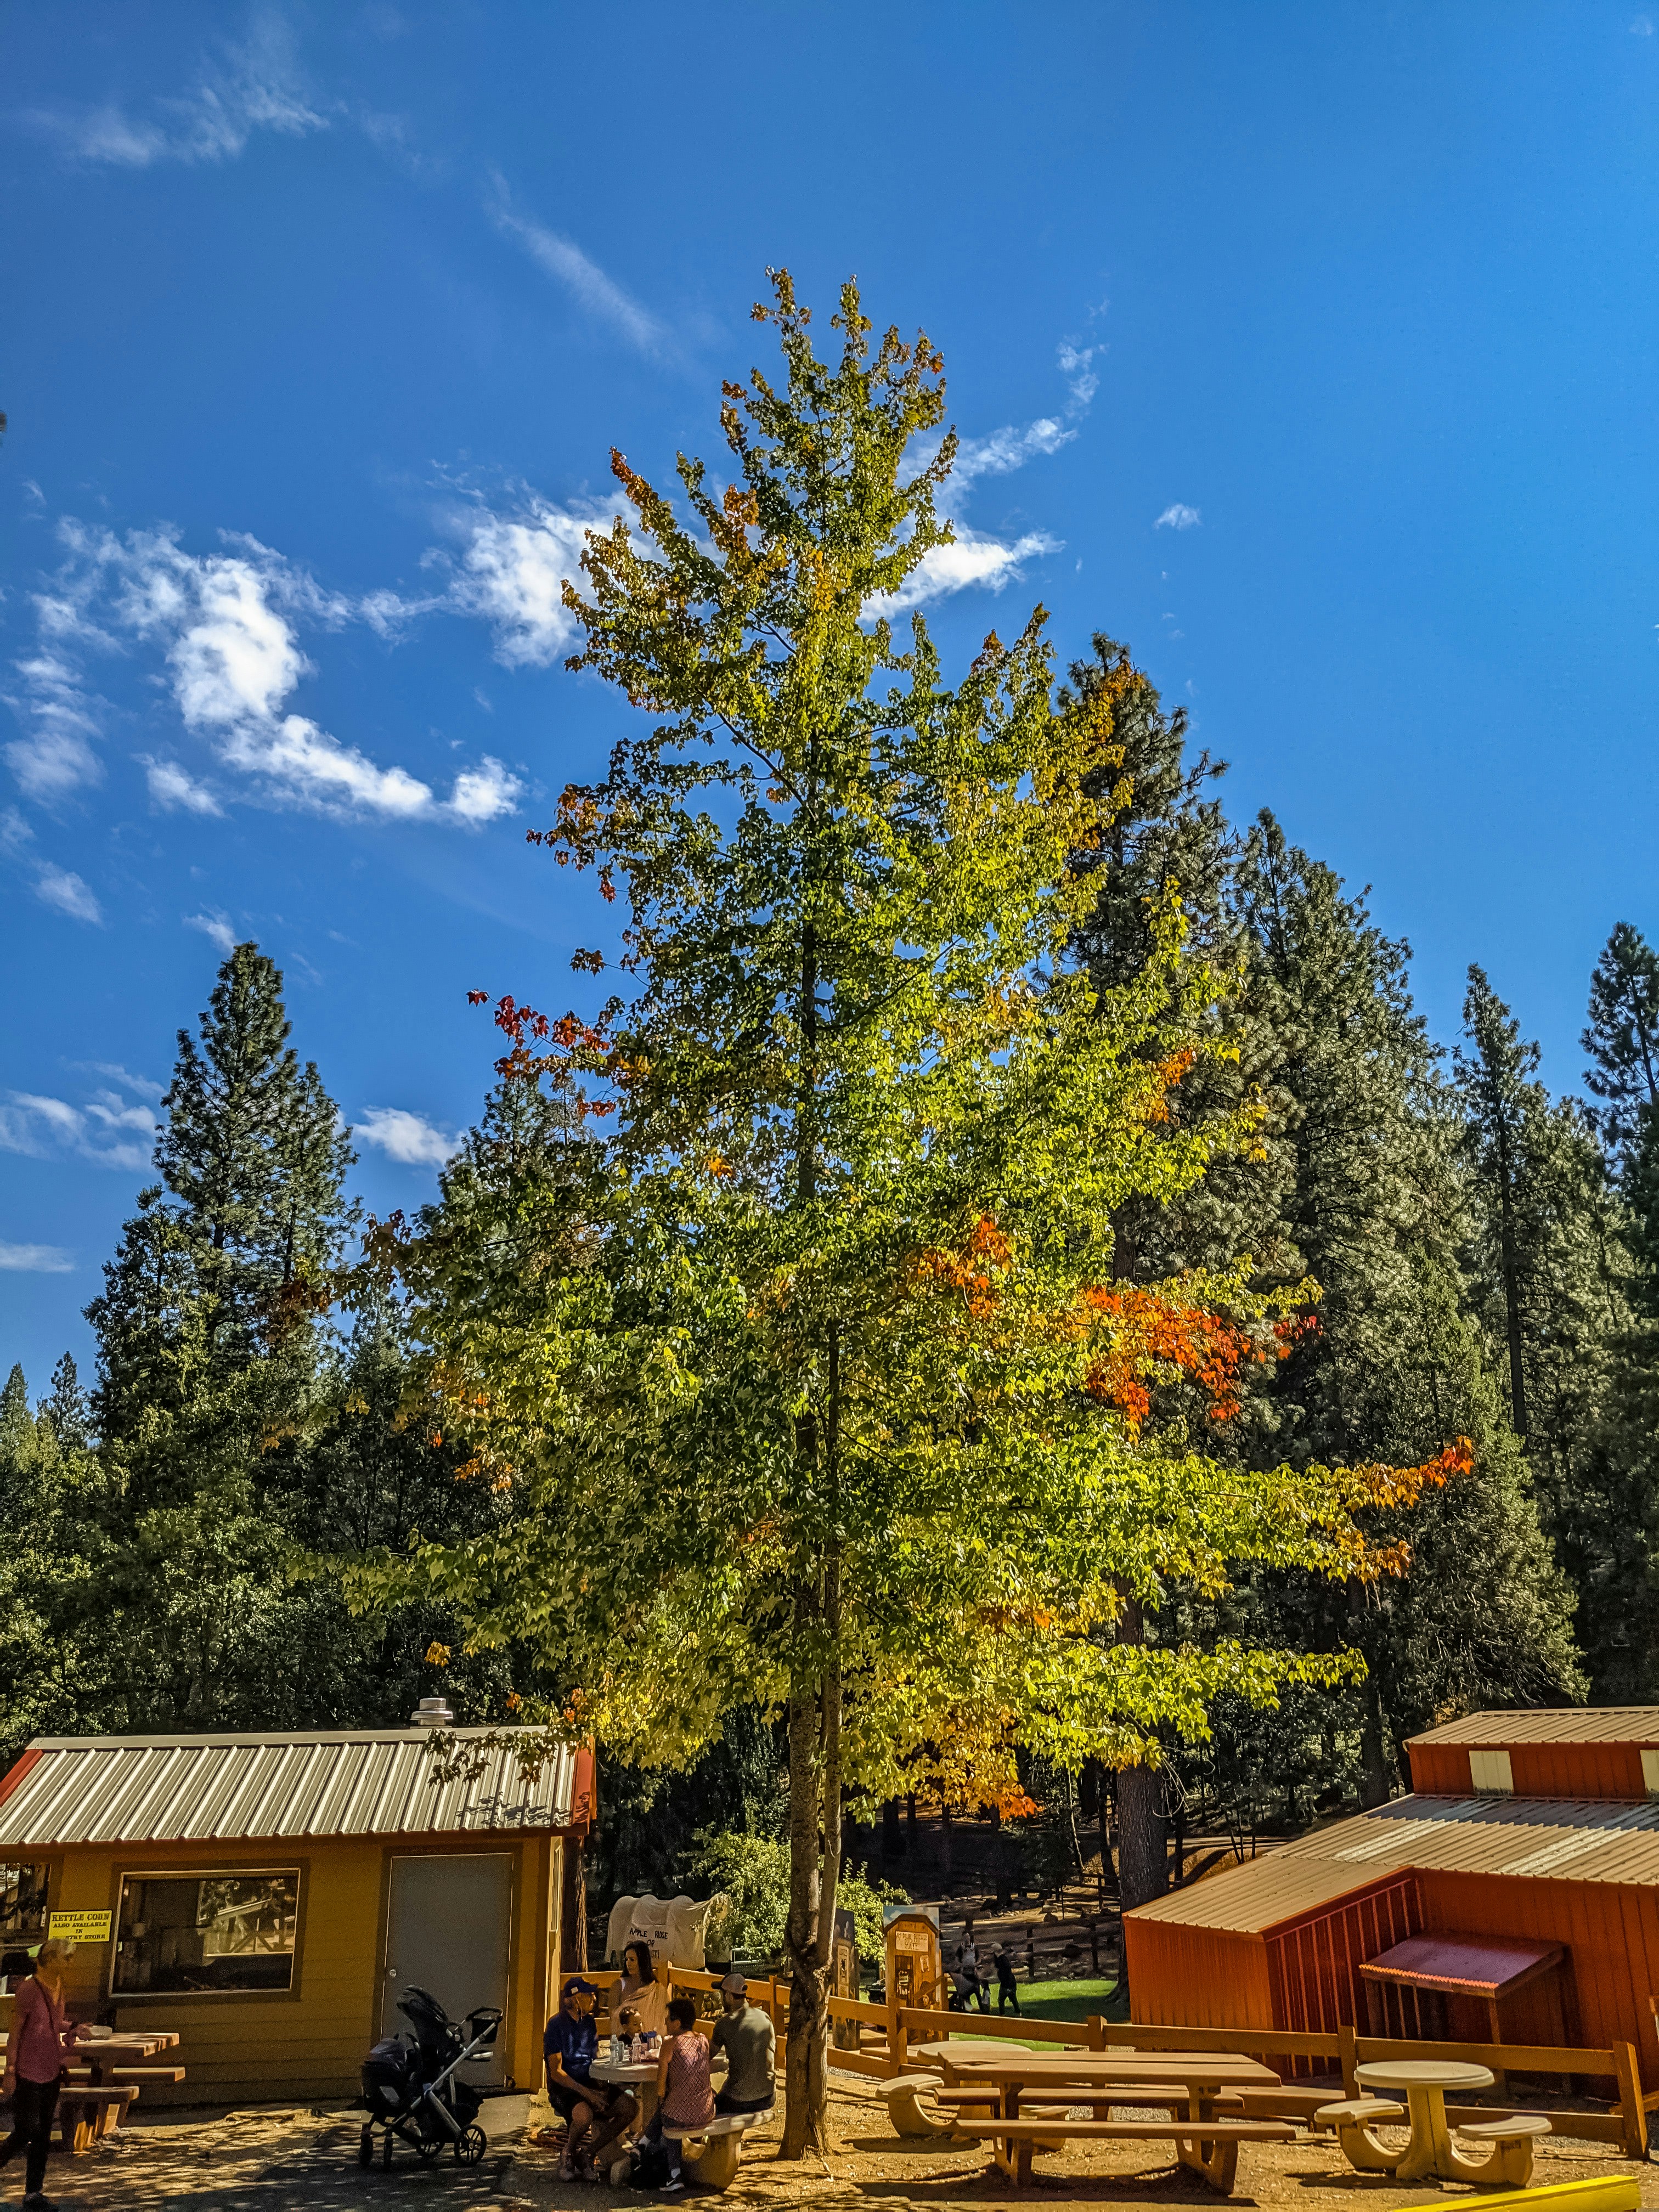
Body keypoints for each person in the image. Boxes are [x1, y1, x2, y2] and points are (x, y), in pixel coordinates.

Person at [1, 1939, 88, 2211]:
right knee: (27, 2129)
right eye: (67, 1958)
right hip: (28, 2070)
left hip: (51, 2069)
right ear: (49, 1959)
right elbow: (17, 2032)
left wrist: (74, 2026)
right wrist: (10, 2071)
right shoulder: (29, 1989)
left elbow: (51, 2022)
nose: (71, 1963)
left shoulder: (59, 1986)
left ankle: (33, 2194)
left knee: (42, 2135)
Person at [544, 1975, 636, 2181]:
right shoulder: (555, 2025)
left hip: (590, 2079)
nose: (594, 1998)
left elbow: (593, 2058)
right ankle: (567, 2153)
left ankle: (589, 2153)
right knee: (584, 2116)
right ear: (575, 2000)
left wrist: (604, 2084)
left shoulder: (589, 2023)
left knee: (630, 2107)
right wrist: (589, 2094)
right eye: (589, 1995)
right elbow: (556, 2072)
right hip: (565, 2086)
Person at [638, 1995, 715, 2193]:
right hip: (707, 2113)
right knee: (673, 2110)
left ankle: (672, 2172)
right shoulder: (704, 2041)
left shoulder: (670, 2045)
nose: (665, 2021)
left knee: (670, 2114)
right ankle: (642, 2145)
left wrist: (660, 2106)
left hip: (679, 2117)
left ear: (678, 2023)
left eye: (668, 2018)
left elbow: (661, 2086)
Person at [709, 1972, 775, 2116]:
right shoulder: (765, 2017)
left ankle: (711, 2139)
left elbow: (706, 2056)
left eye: (722, 1994)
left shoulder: (724, 2024)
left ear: (728, 1996)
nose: (721, 1999)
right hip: (768, 2097)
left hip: (739, 2100)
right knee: (728, 2087)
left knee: (708, 2105)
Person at [614, 1939, 666, 2038]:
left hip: (651, 2040)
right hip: (627, 2041)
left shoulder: (657, 1990)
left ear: (642, 1961)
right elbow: (617, 2019)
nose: (628, 1963)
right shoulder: (620, 1986)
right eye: (626, 1959)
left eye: (632, 1959)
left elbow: (664, 2018)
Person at [991, 1943, 1021, 2015]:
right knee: (1013, 1999)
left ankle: (1003, 2015)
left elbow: (997, 1970)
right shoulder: (1004, 1959)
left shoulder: (1000, 1960)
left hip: (1006, 1984)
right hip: (1011, 1983)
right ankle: (1018, 2013)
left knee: (1001, 2000)